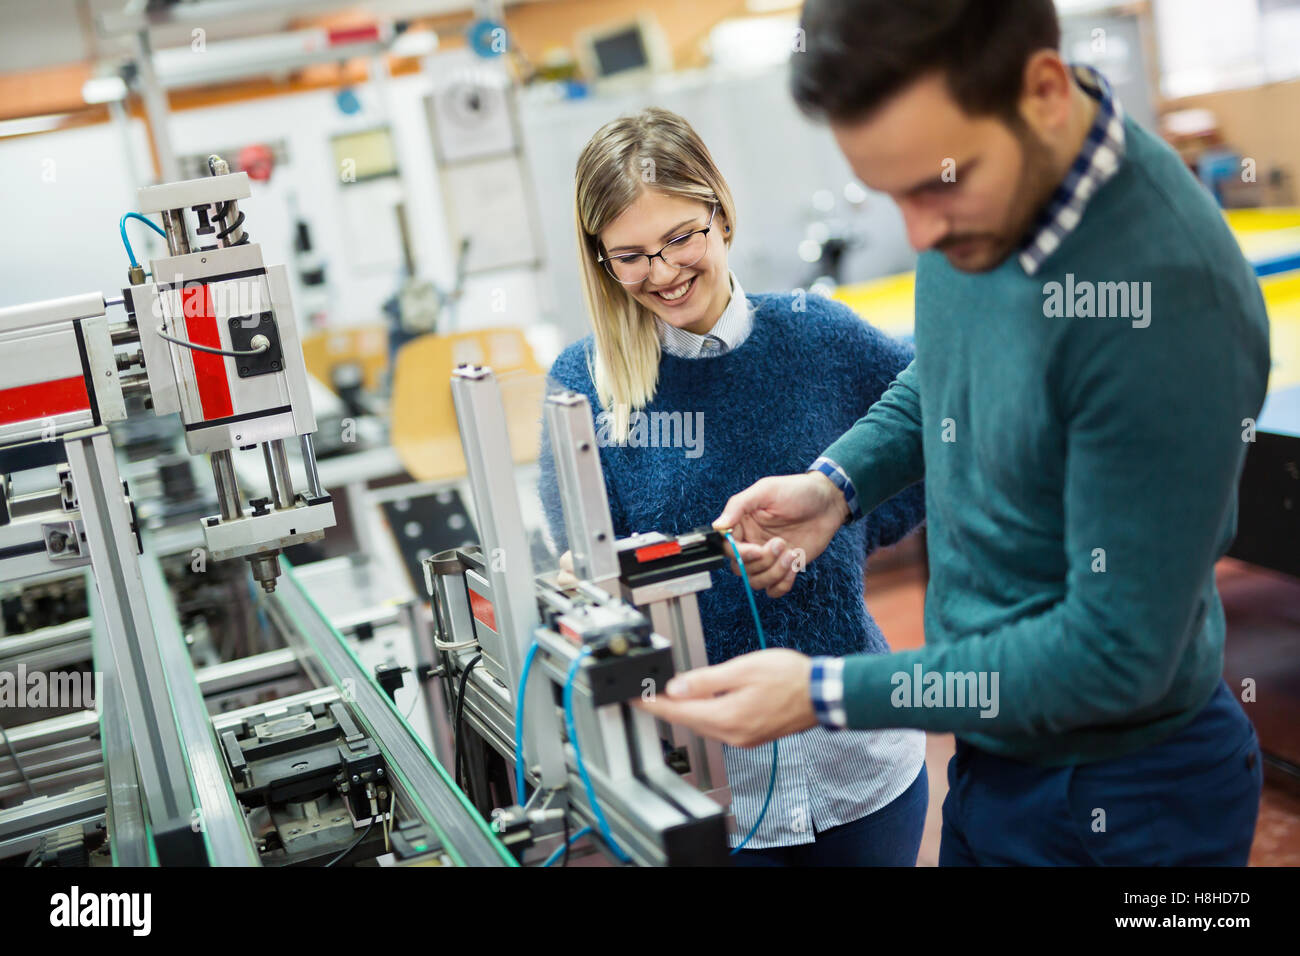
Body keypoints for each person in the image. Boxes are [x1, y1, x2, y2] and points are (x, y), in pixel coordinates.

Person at [639, 0, 1270, 866]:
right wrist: (837, 486)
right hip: (994, 755)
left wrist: (827, 693)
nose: (919, 233)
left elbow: (1115, 656)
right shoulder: (980, 187)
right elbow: (944, 371)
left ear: (1044, 90)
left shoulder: (1165, 302)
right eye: (893, 191)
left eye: (937, 185)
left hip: (1128, 798)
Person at [537, 107, 929, 865]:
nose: (662, 271)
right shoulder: (583, 388)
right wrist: (693, 574)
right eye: (631, 255)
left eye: (680, 236)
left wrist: (833, 530)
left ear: (719, 213)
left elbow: (923, 440)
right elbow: (593, 579)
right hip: (708, 787)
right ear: (600, 260)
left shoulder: (821, 335)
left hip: (861, 763)